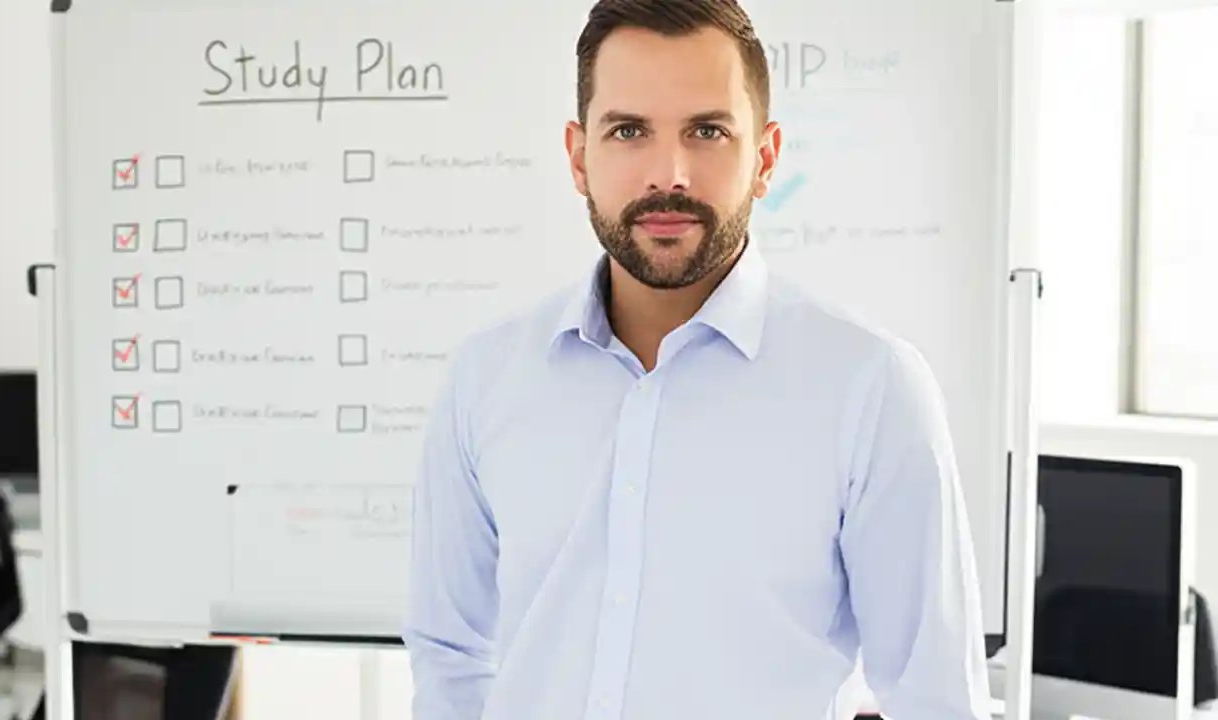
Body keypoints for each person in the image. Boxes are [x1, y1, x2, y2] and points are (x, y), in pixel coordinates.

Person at [402, 1, 993, 718]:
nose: (669, 173)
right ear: (579, 156)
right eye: (628, 131)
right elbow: (451, 652)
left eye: (707, 131)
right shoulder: (486, 379)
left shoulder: (871, 388)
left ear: (765, 157)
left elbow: (936, 695)